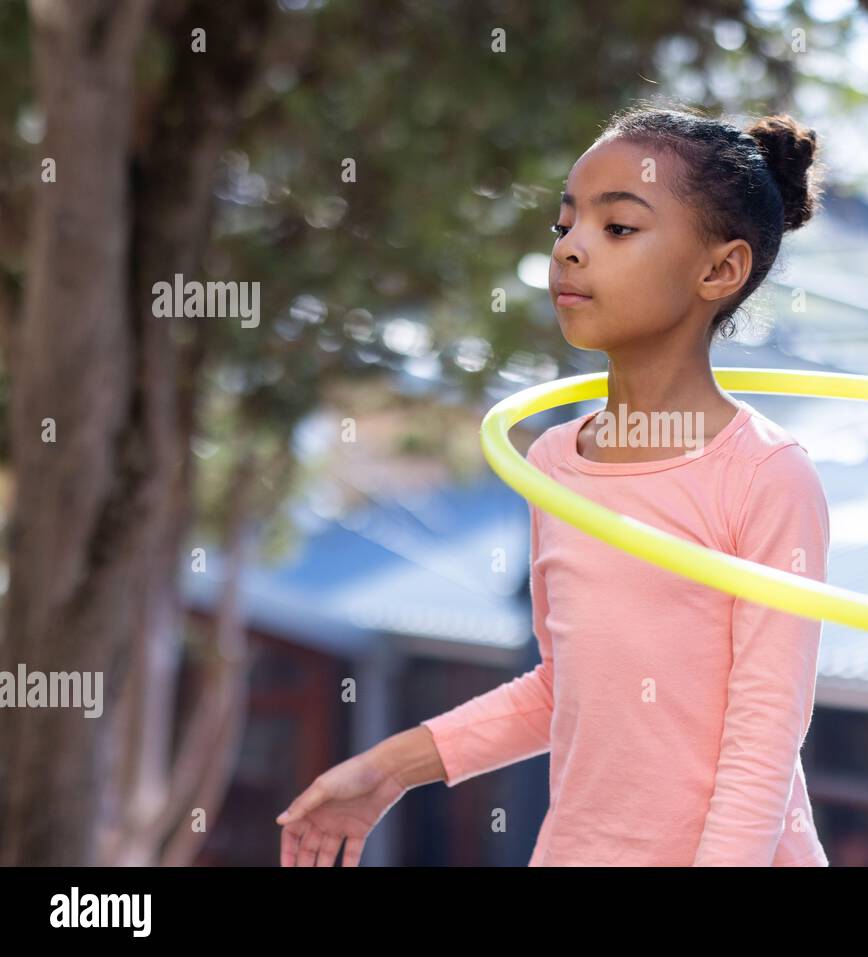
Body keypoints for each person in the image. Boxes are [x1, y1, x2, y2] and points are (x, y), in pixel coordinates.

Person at [278, 100, 832, 867]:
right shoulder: (554, 466)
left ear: (720, 268)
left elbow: (762, 745)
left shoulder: (768, 477)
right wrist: (388, 768)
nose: (571, 249)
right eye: (564, 225)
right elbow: (563, 689)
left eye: (618, 227)